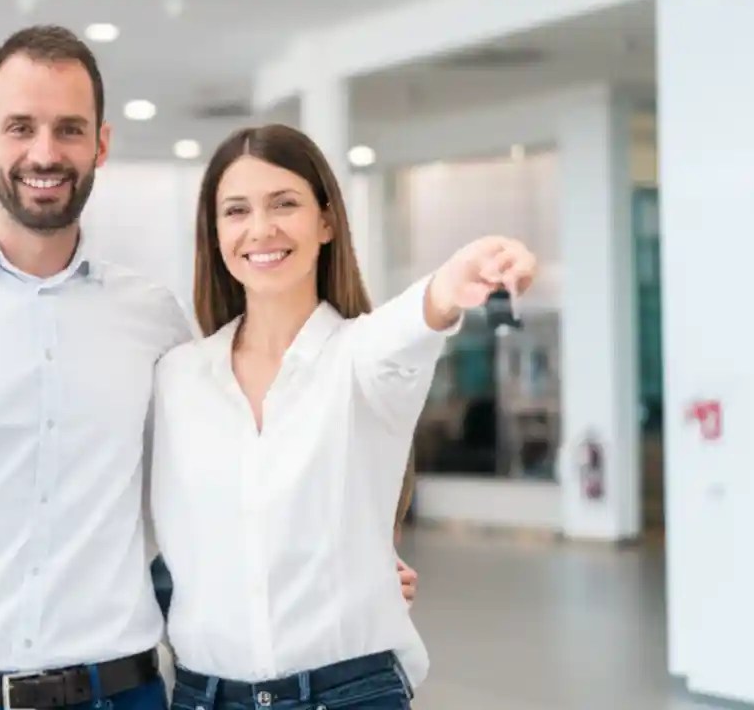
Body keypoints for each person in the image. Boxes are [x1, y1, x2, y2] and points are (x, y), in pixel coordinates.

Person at [0, 25, 417, 710]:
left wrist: (348, 562)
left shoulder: (153, 318)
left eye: (70, 129)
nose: (45, 153)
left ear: (101, 145)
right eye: (20, 127)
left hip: (121, 692)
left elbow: (232, 479)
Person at [149, 124, 537, 710]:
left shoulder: (362, 357)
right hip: (205, 695)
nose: (261, 228)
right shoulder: (178, 377)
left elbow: (416, 320)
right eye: (237, 210)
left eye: (284, 203)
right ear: (215, 232)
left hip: (346, 693)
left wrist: (460, 277)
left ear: (326, 222)